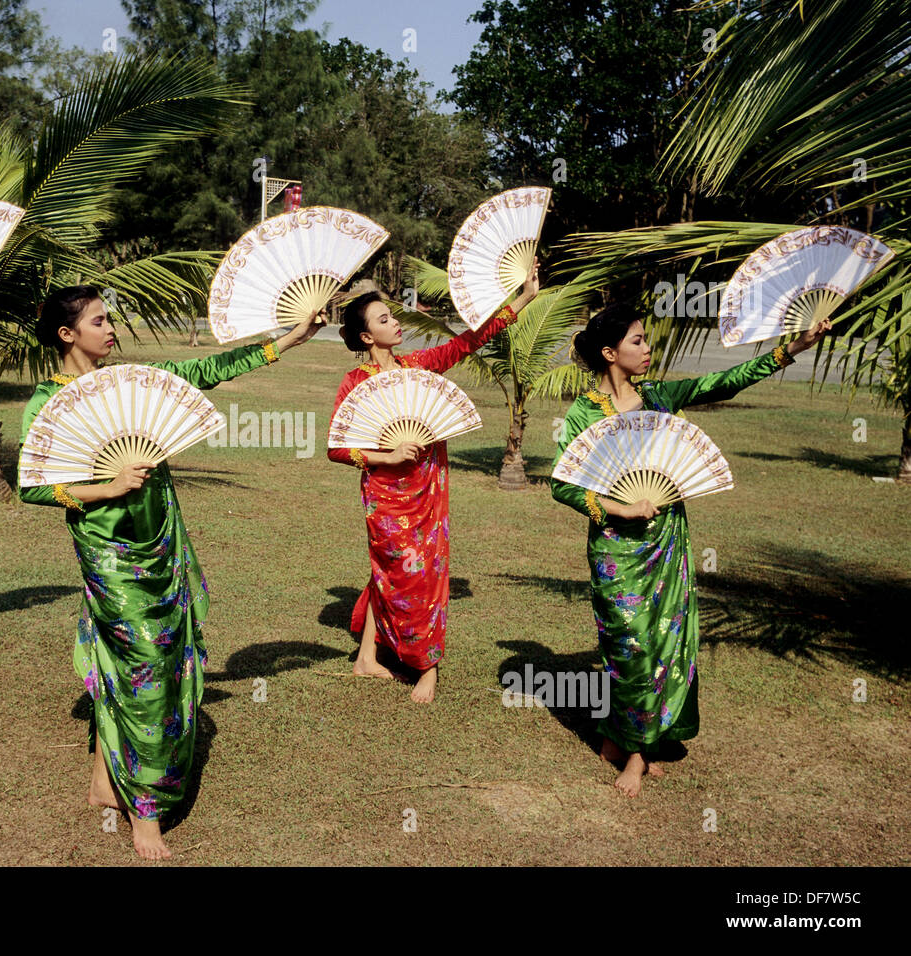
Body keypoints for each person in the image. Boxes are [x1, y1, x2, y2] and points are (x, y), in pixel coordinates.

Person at [19, 285, 321, 860]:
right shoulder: (44, 405)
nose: (112, 329)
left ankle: (107, 782)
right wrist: (107, 487)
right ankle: (146, 811)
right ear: (67, 335)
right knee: (148, 669)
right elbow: (32, 486)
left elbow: (209, 367)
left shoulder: (130, 388)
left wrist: (290, 338)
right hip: (110, 555)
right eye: (99, 321)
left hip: (163, 547)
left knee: (149, 661)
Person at [550, 304, 831, 796]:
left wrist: (795, 347)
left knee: (664, 645)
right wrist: (620, 509)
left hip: (666, 540)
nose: (647, 347)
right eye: (637, 341)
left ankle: (630, 742)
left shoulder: (660, 397)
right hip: (618, 547)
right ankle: (632, 752)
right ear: (610, 352)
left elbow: (725, 382)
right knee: (629, 645)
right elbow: (563, 484)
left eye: (646, 340)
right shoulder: (583, 413)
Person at [327, 271, 540, 703]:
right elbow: (336, 448)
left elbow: (468, 342)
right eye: (384, 320)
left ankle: (426, 666)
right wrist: (386, 457)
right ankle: (369, 657)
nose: (396, 323)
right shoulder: (356, 383)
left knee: (429, 572)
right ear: (367, 337)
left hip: (427, 488)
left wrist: (522, 299)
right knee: (391, 572)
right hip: (384, 492)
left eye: (392, 316)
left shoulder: (418, 367)